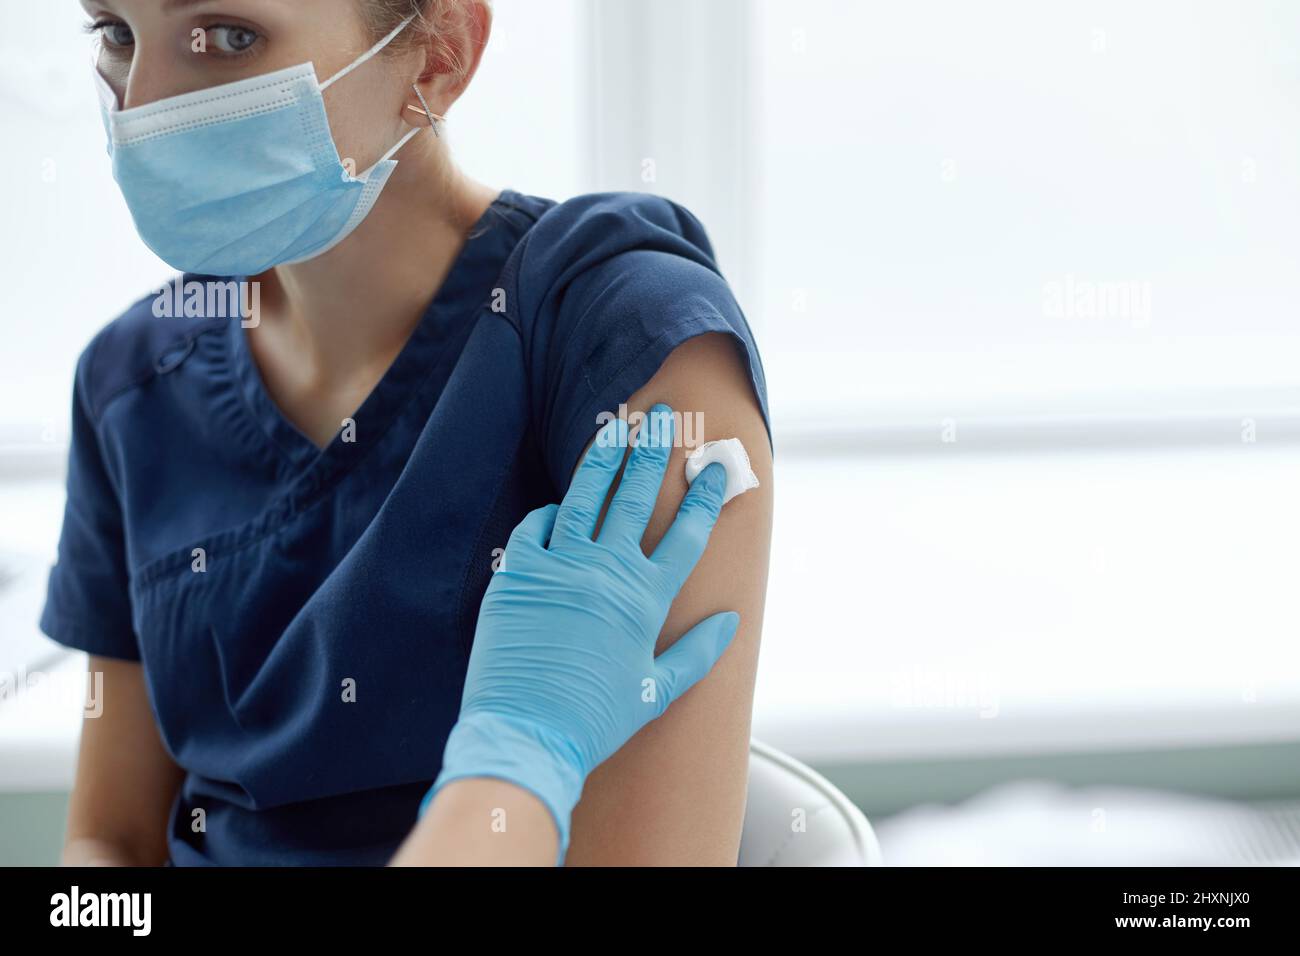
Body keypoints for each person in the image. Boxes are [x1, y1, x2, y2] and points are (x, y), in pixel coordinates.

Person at [48, 0, 772, 866]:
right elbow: (108, 843)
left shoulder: (622, 335)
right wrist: (519, 753)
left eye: (231, 37)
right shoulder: (132, 381)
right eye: (117, 34)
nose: (144, 104)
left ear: (437, 56)